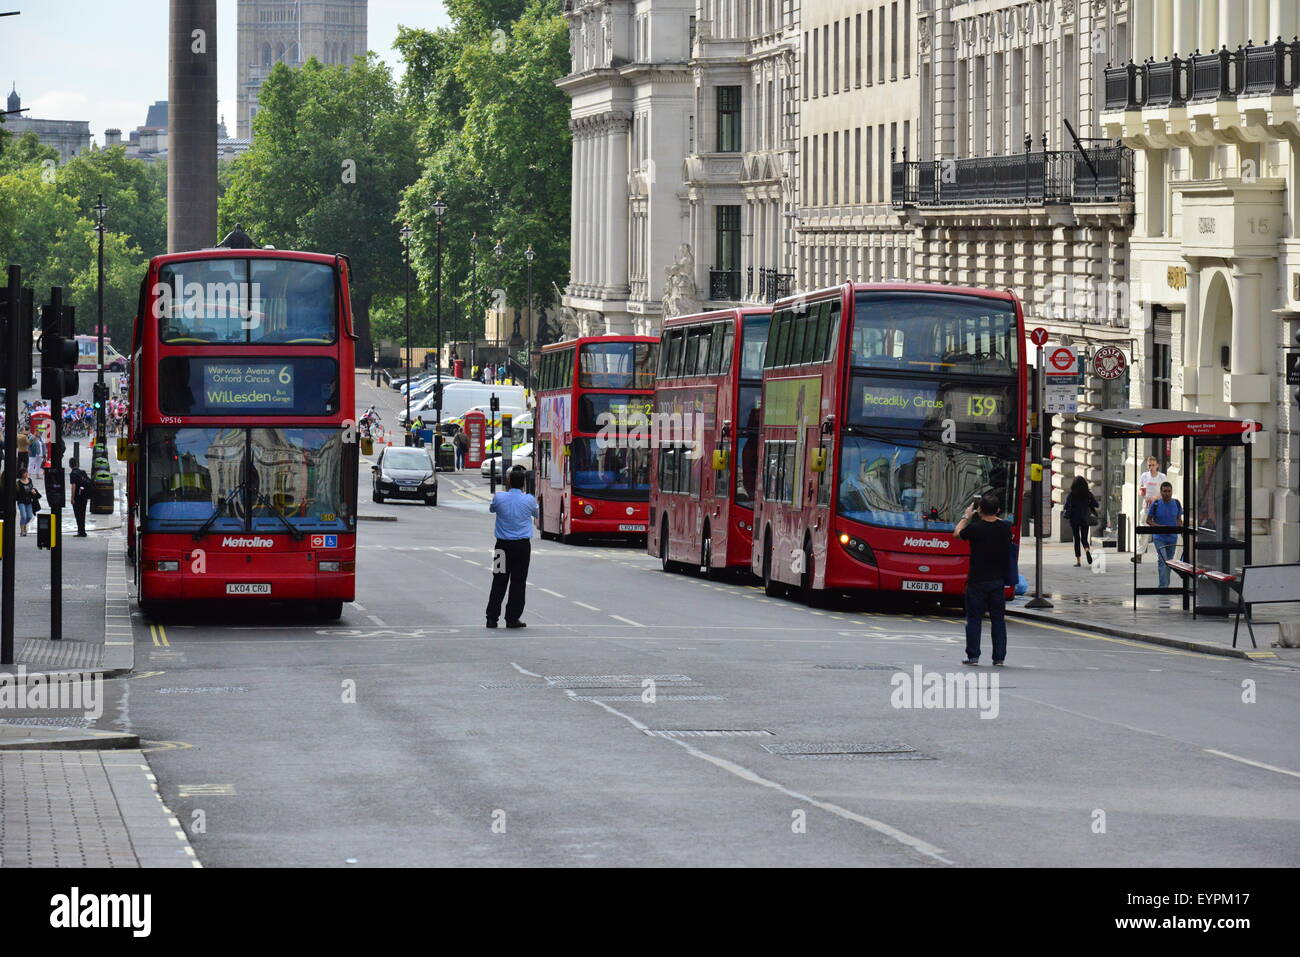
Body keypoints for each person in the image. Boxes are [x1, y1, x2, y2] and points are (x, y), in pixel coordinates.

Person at [955, 493, 1012, 666]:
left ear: (979, 510)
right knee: (998, 620)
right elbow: (1001, 526)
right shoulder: (1005, 528)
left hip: (977, 580)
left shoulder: (975, 528)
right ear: (998, 510)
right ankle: (999, 657)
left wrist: (966, 516)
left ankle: (973, 656)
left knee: (974, 619)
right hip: (997, 581)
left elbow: (957, 533)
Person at [486, 465, 537, 629]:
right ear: (523, 483)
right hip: (522, 547)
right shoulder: (529, 499)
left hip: (501, 546)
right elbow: (536, 514)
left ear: (508, 482)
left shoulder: (499, 498)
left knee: (498, 581)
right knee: (518, 582)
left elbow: (491, 509)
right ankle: (512, 618)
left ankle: (492, 618)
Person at [1146, 481, 1183, 589]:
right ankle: (1163, 587)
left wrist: (1180, 529)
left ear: (1172, 492)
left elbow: (1179, 519)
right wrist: (1158, 526)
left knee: (1169, 562)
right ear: (1161, 492)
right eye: (1164, 491)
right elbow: (1148, 520)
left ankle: (1165, 584)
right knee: (1163, 560)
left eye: (1169, 491)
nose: (1167, 493)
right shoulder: (1156, 504)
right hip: (1159, 537)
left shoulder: (1176, 503)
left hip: (1172, 537)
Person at [1063, 475, 1099, 567]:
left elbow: (1066, 506)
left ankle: (1078, 561)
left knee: (1077, 539)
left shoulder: (1071, 495)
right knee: (1084, 538)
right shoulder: (1088, 494)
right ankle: (1087, 550)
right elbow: (1096, 504)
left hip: (1074, 519)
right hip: (1084, 518)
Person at [69, 456, 92, 536]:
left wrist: (72, 498)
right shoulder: (82, 472)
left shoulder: (73, 474)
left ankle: (80, 531)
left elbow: (73, 486)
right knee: (82, 513)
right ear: (77, 464)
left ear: (70, 465)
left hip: (77, 497)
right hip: (84, 496)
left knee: (78, 514)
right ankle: (82, 531)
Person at [15, 470, 40, 537]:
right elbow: (17, 493)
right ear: (21, 474)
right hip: (21, 501)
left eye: (26, 472)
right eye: (24, 473)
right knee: (23, 516)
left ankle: (24, 525)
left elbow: (31, 487)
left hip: (29, 501)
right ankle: (22, 530)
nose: (26, 474)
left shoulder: (30, 480)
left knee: (29, 516)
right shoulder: (18, 483)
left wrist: (33, 491)